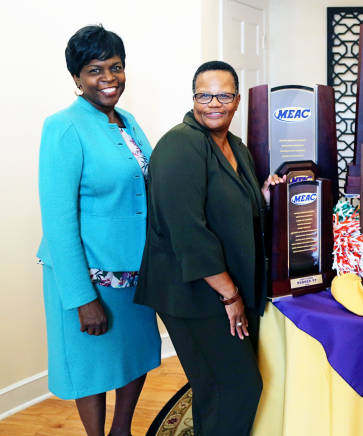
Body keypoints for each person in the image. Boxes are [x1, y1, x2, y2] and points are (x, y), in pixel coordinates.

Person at [134, 60, 271, 436]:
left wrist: (263, 196)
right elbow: (188, 231)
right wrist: (230, 296)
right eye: (204, 94)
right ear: (193, 98)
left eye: (224, 95)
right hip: (193, 293)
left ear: (237, 100)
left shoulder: (235, 146)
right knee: (236, 387)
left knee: (218, 389)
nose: (214, 103)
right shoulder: (180, 145)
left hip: (222, 288)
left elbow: (231, 204)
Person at [37, 25, 160, 436]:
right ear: (76, 78)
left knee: (136, 355)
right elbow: (58, 221)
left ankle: (122, 431)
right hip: (91, 274)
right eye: (94, 70)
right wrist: (82, 298)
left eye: (116, 67)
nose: (108, 78)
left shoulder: (127, 122)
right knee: (91, 367)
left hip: (136, 271)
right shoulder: (64, 127)